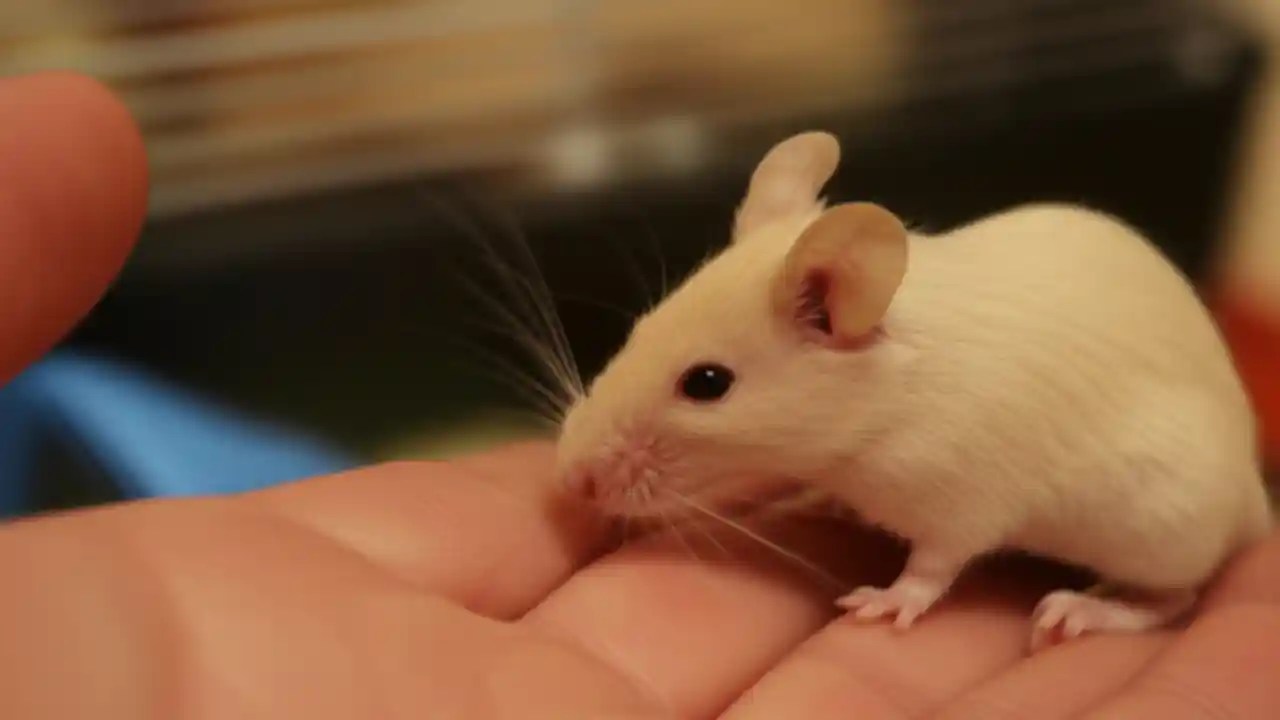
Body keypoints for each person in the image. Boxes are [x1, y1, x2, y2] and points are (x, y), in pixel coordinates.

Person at [1, 71, 1277, 719]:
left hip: (1166, 496)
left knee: (1159, 513)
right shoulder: (834, 362)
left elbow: (977, 487)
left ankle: (1157, 593)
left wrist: (923, 579)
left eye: (705, 386)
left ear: (842, 311)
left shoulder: (922, 405)